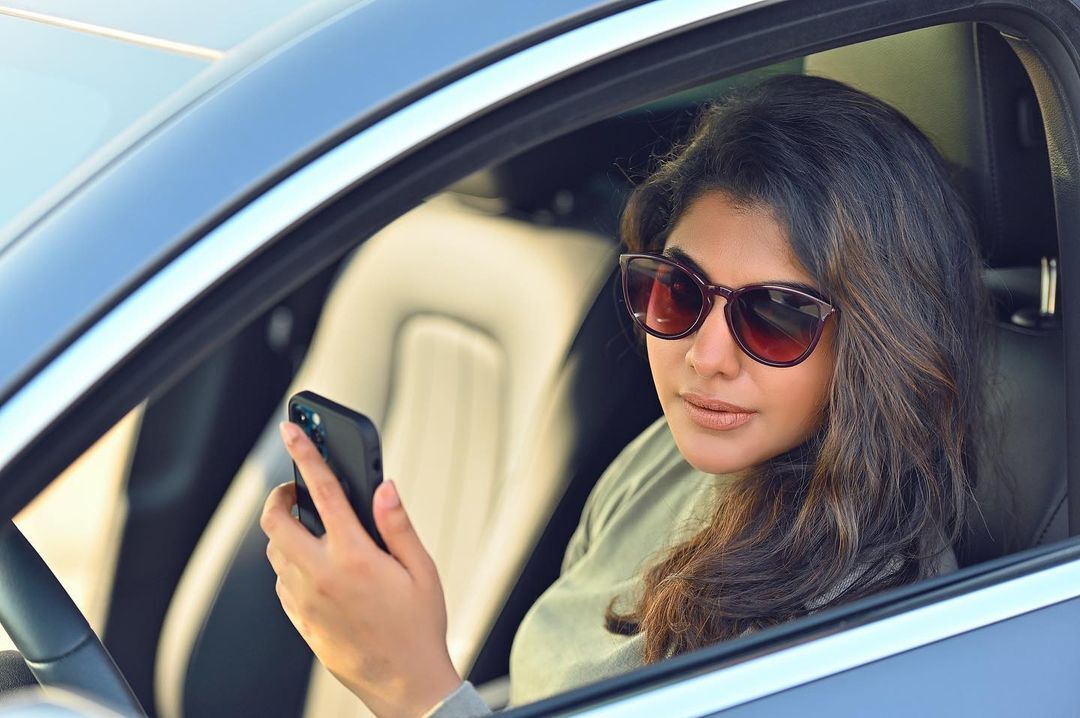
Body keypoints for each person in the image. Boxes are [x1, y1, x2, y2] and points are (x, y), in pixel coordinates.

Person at [259, 73, 991, 717]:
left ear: (880, 343)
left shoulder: (864, 636)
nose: (704, 357)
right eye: (677, 292)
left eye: (773, 317)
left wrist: (411, 687)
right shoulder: (670, 462)